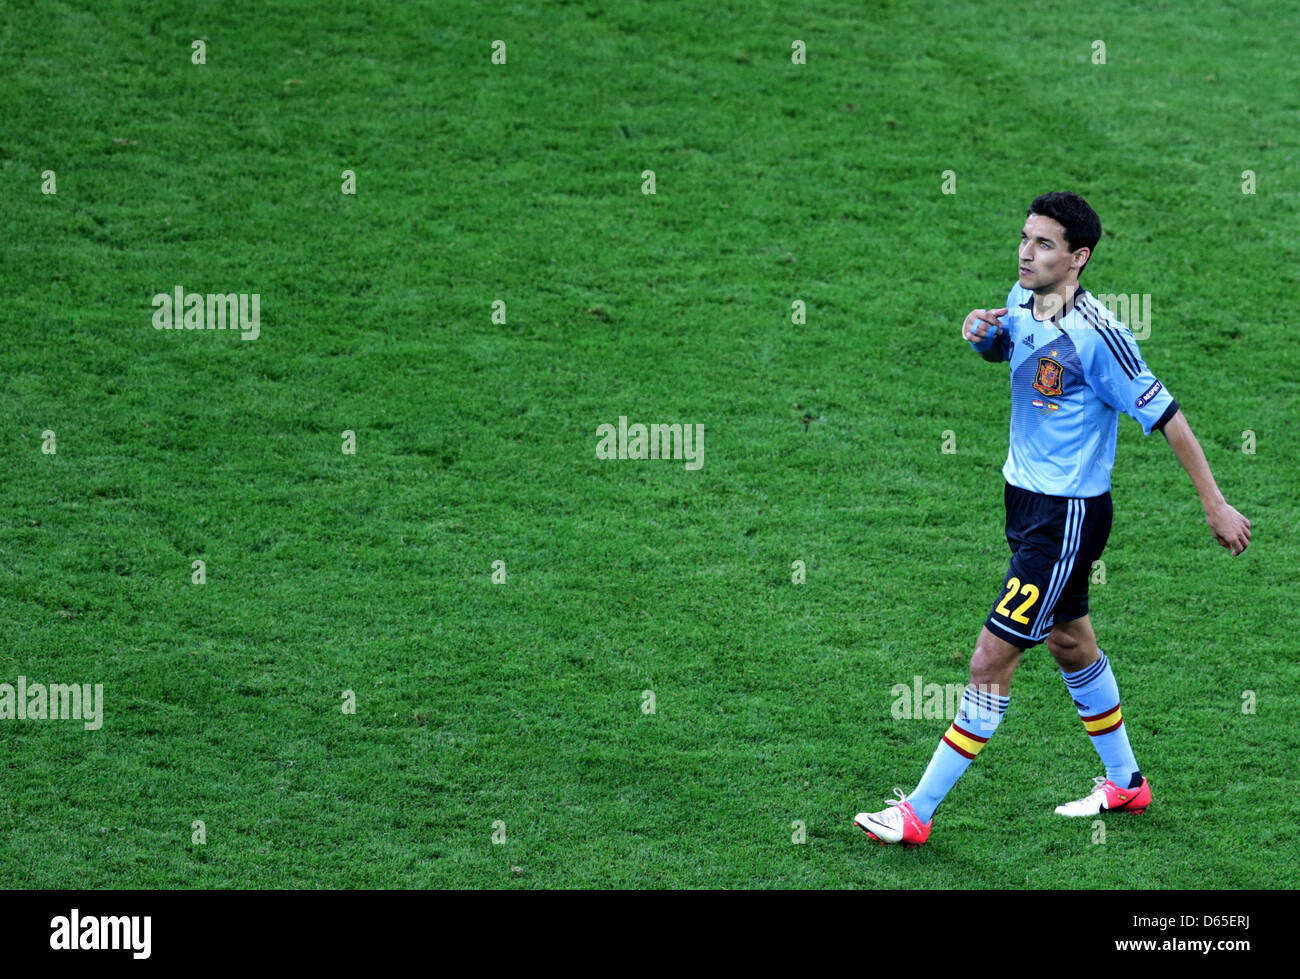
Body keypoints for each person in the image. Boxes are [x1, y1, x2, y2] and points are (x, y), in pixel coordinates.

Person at [855, 191, 1252, 846]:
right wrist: (983, 336)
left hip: (1066, 519)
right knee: (1070, 642)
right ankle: (1126, 782)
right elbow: (1011, 347)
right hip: (1025, 503)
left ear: (1078, 257)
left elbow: (1168, 416)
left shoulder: (1098, 336)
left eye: (1044, 244)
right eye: (1024, 237)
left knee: (990, 658)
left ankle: (917, 812)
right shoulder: (1020, 296)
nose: (1026, 251)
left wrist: (1214, 502)